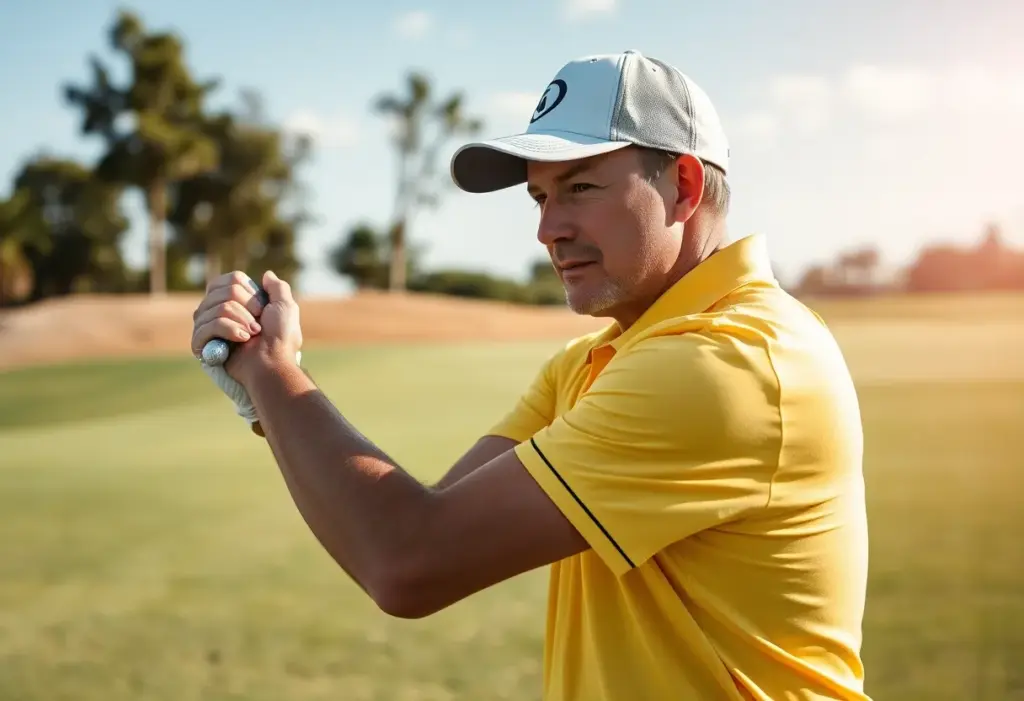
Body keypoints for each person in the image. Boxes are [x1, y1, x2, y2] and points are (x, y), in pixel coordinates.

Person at [190, 50, 871, 701]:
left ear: (684, 186)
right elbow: (412, 517)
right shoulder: (594, 362)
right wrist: (266, 401)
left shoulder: (726, 361)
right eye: (539, 197)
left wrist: (276, 377)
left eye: (579, 188)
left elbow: (408, 560)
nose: (548, 228)